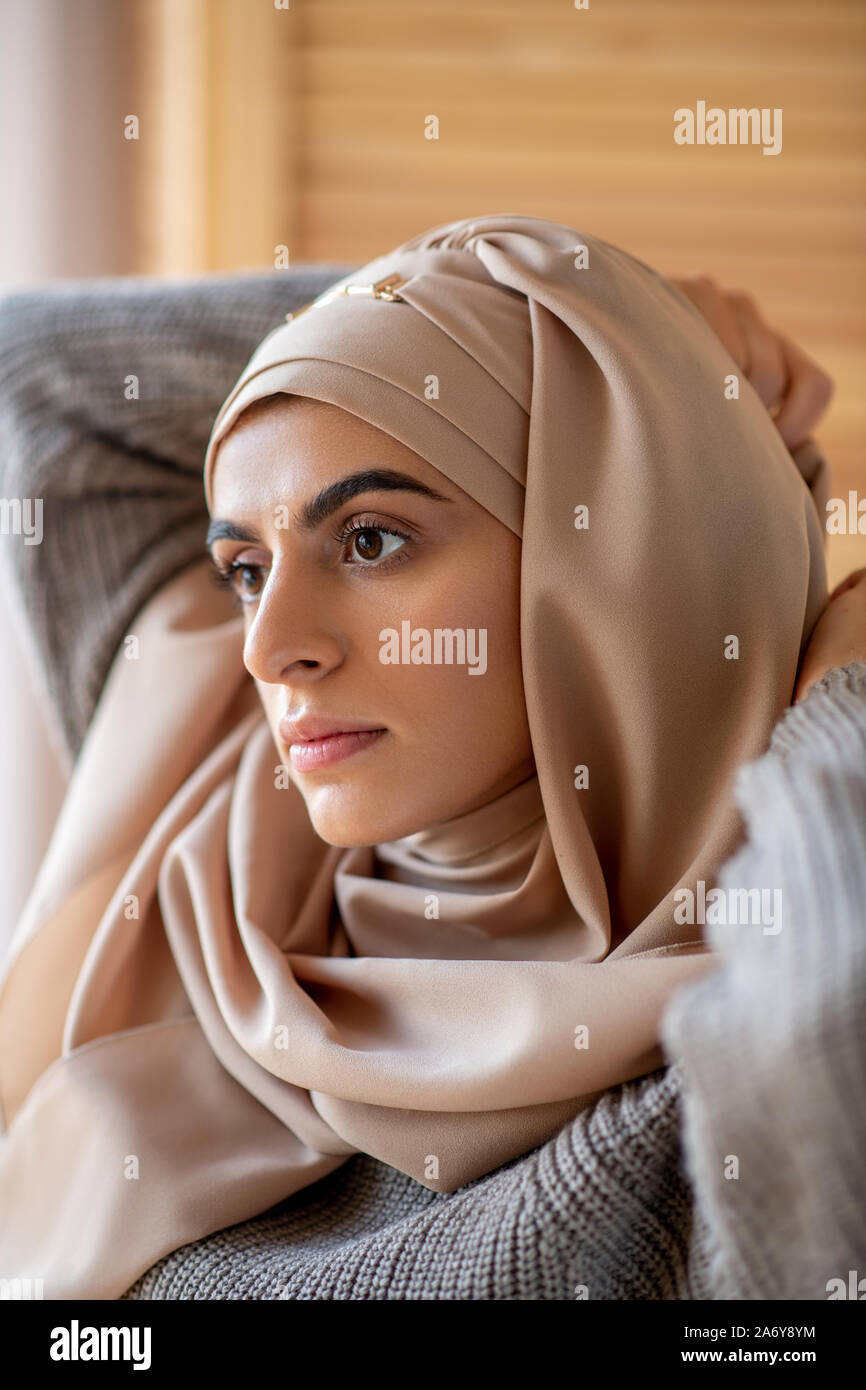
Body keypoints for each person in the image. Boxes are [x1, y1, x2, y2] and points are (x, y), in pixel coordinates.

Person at [0, 214, 863, 1302]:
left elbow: (832, 1019)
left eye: (369, 538)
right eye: (246, 567)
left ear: (599, 551)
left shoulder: (700, 1108)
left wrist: (848, 702)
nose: (270, 650)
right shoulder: (210, 812)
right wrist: (596, 316)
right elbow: (39, 370)